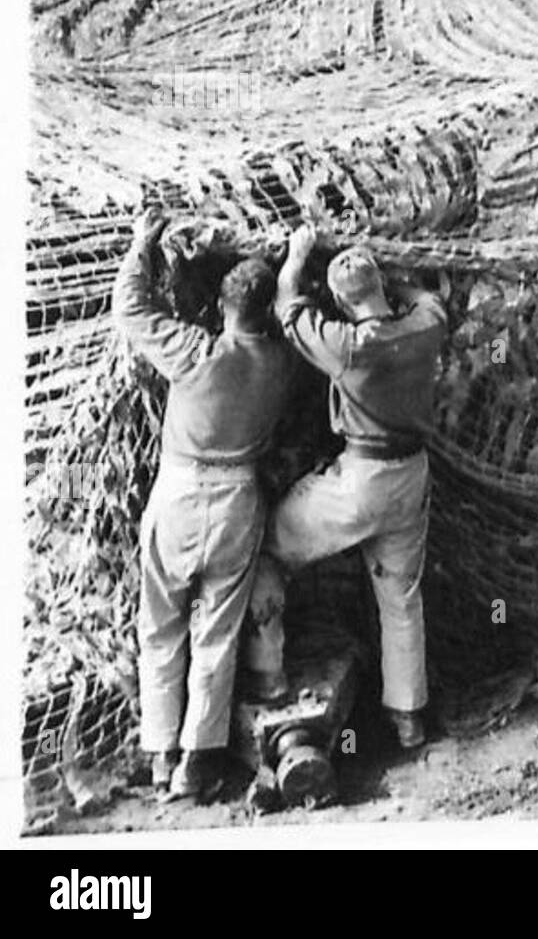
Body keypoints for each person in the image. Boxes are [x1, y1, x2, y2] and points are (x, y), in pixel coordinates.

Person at [242, 227, 446, 751]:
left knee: (265, 550)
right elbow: (424, 296)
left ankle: (269, 673)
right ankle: (408, 718)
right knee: (401, 598)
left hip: (359, 484)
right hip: (411, 477)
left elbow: (289, 307)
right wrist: (387, 279)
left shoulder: (347, 348)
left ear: (338, 300)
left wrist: (300, 255)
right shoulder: (426, 326)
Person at [113, 211, 293, 799]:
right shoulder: (281, 365)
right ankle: (198, 760)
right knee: (217, 634)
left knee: (160, 626)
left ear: (220, 305)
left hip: (182, 491)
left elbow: (132, 310)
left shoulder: (197, 353)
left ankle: (160, 753)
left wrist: (144, 244)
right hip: (240, 500)